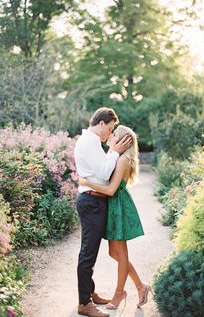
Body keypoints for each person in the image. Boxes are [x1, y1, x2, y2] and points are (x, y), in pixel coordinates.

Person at [79, 125, 152, 311]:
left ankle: (120, 294)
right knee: (115, 253)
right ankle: (140, 286)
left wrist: (86, 182)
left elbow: (111, 189)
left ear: (122, 141)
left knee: (121, 252)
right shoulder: (118, 157)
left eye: (114, 135)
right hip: (113, 206)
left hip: (118, 206)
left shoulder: (123, 160)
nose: (110, 136)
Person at [74, 108, 132, 317]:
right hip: (92, 201)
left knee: (90, 251)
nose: (110, 134)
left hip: (93, 200)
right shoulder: (89, 142)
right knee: (87, 253)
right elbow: (106, 172)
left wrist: (111, 151)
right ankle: (84, 303)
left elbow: (101, 171)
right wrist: (115, 151)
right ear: (101, 124)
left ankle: (90, 292)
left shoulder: (91, 142)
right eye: (109, 128)